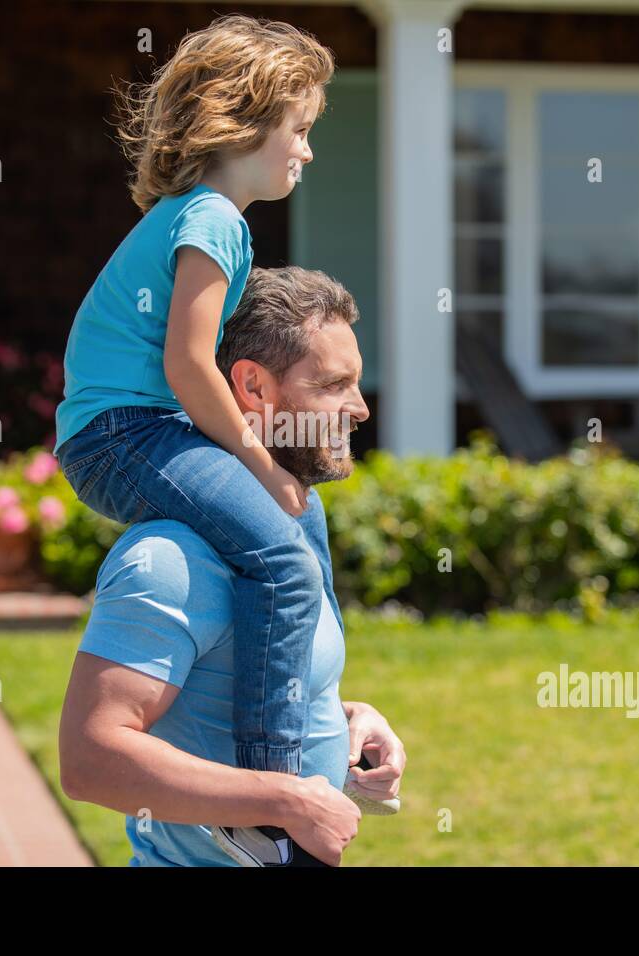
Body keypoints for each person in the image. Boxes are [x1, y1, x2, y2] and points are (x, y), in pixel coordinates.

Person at [52, 15, 341, 863]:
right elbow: (186, 365)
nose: (308, 151)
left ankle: (321, 716)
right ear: (247, 122)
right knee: (283, 560)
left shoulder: (204, 214)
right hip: (126, 434)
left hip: (138, 428)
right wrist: (258, 463)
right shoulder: (215, 217)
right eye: (302, 128)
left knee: (305, 525)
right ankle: (265, 802)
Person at [58, 266, 405, 866]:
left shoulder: (290, 527)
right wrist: (284, 799)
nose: (360, 408)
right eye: (333, 384)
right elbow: (91, 759)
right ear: (253, 387)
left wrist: (346, 719)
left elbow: (237, 693)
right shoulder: (170, 560)